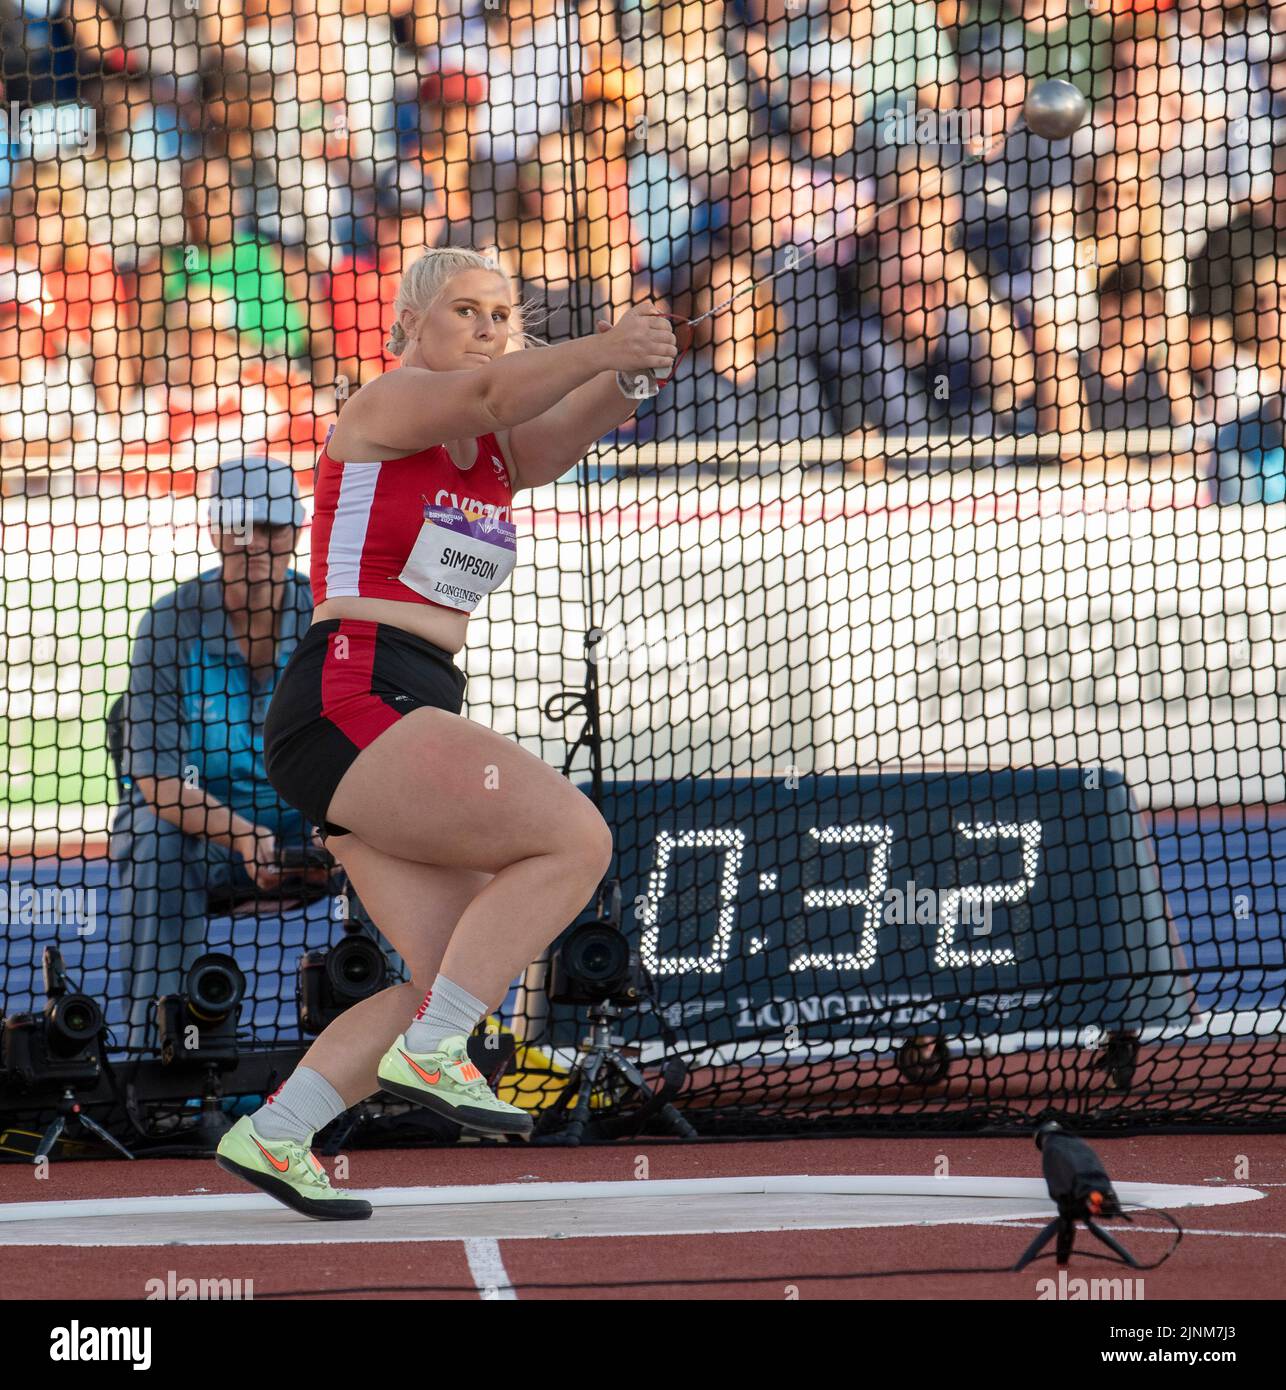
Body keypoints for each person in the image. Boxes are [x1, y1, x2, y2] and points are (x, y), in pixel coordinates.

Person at [214, 245, 676, 1219]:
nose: (485, 329)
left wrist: (623, 376)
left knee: (441, 979)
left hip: (391, 712)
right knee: (573, 838)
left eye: (500, 314)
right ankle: (436, 1050)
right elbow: (494, 399)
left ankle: (278, 1128)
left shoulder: (491, 449)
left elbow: (543, 440)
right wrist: (600, 342)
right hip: (351, 694)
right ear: (410, 328)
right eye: (463, 311)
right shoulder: (386, 405)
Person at [109, 452, 322, 1052]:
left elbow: (364, 750)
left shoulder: (328, 618)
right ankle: (155, 1051)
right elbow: (157, 781)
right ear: (212, 530)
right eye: (239, 526)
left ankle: (395, 1053)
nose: (254, 543)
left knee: (395, 836)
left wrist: (343, 825)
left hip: (313, 828)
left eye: (271, 527)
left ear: (296, 533)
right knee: (154, 836)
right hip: (204, 835)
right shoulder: (167, 625)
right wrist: (244, 837)